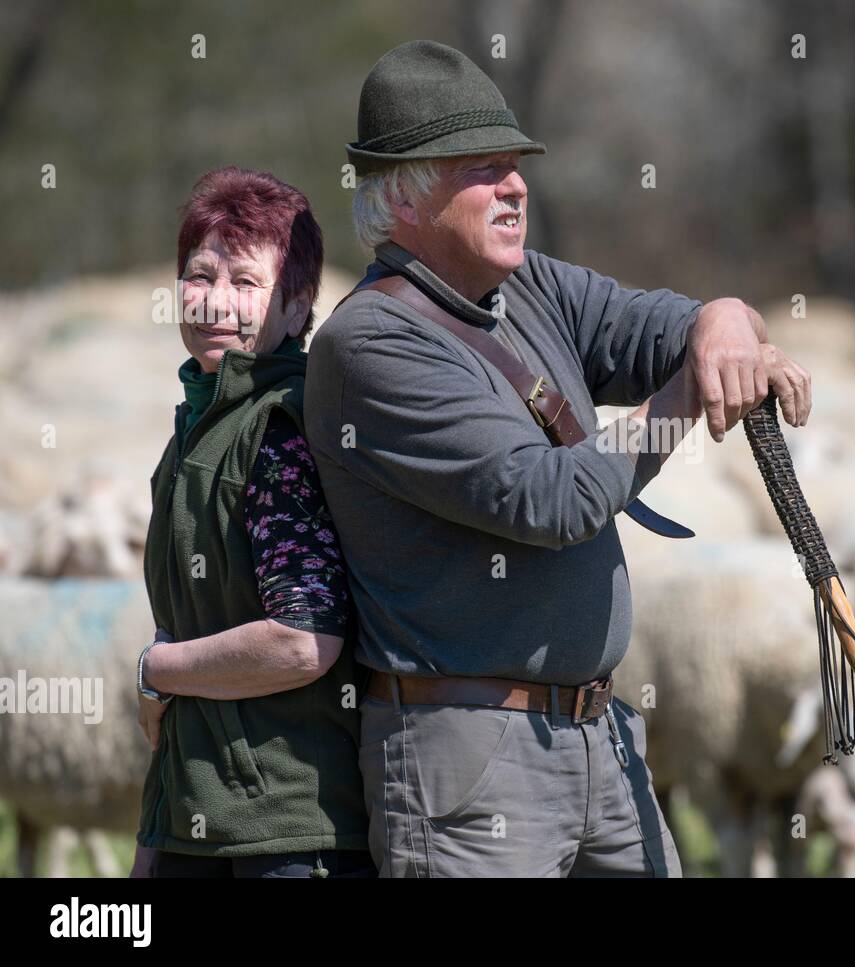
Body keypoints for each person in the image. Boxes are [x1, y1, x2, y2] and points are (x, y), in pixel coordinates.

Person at [306, 41, 812, 877]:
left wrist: (723, 318)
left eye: (516, 164)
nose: (515, 186)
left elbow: (654, 325)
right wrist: (696, 388)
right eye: (480, 168)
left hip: (600, 739)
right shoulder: (370, 345)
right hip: (470, 765)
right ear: (402, 195)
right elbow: (548, 498)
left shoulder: (524, 288)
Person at [131, 167, 373, 877]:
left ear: (297, 311)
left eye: (245, 282)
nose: (214, 302)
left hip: (286, 831)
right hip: (201, 815)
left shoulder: (279, 432)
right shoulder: (199, 431)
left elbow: (304, 640)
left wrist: (156, 669)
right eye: (200, 275)